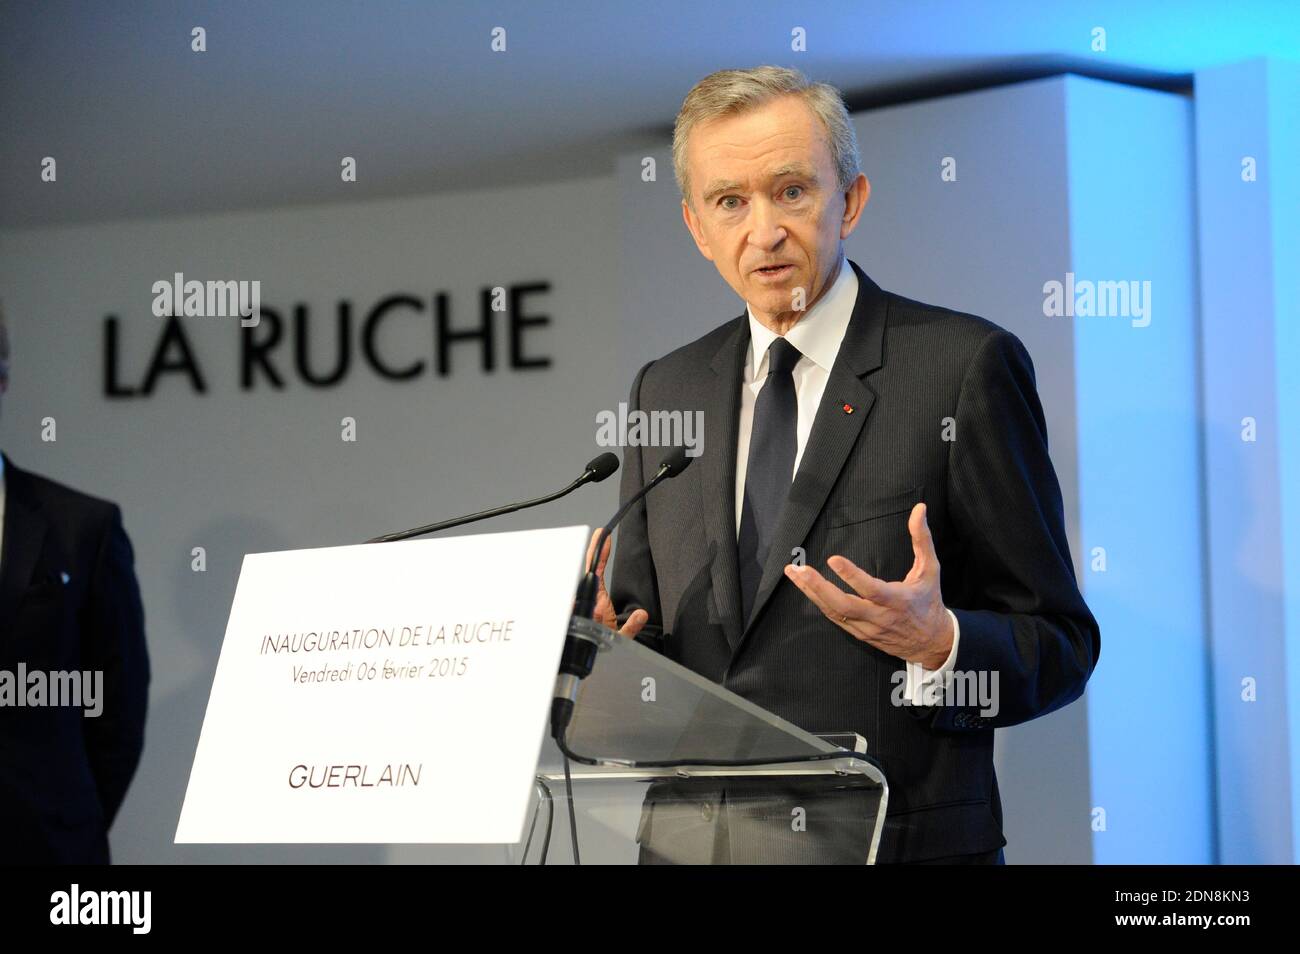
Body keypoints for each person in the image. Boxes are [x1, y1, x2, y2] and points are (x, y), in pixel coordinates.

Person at [588, 66, 1100, 864]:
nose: (763, 231)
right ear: (697, 226)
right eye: (730, 202)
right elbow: (650, 638)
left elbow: (1060, 644)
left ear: (850, 201)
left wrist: (941, 646)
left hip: (893, 844)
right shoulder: (667, 389)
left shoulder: (961, 367)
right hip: (693, 847)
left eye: (791, 190)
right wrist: (606, 652)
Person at [0, 304, 150, 864]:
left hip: (50, 854)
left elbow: (118, 715)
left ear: (4, 376)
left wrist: (64, 824)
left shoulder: (83, 528)